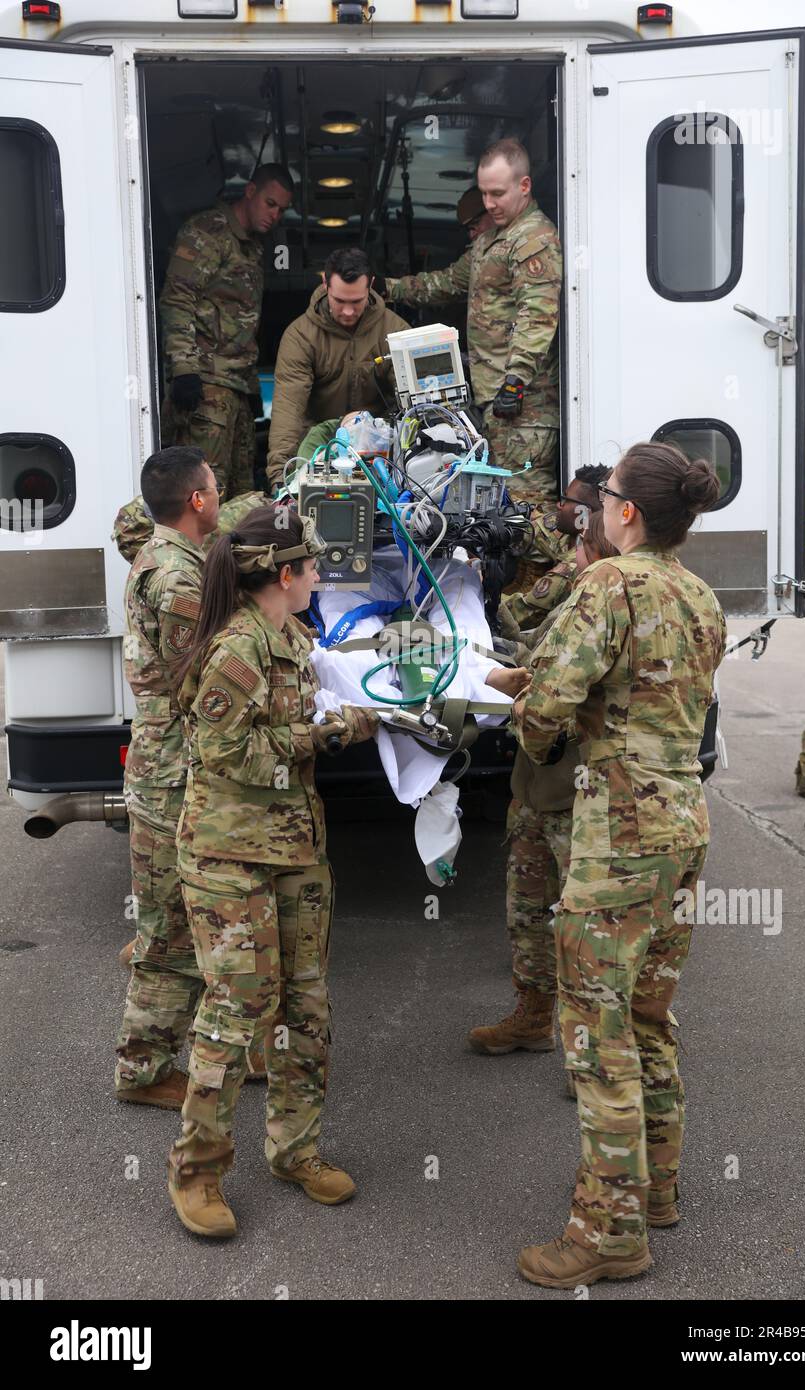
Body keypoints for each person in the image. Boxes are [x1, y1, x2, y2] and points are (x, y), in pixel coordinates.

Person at [510, 441, 727, 1290]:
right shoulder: (699, 594)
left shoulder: (608, 584)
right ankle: (658, 1188)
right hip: (682, 824)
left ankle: (609, 1234)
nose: (597, 507)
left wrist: (525, 716)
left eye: (605, 497)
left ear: (626, 512)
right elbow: (655, 691)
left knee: (597, 1041)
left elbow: (552, 704)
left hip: (619, 833)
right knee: (647, 1020)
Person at [166, 506, 378, 1238]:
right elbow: (226, 753)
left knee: (306, 1010)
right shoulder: (237, 649)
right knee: (235, 1016)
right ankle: (196, 1172)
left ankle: (295, 1150)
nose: (320, 576)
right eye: (313, 567)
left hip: (294, 851)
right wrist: (323, 733)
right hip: (229, 856)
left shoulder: (291, 634)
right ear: (283, 576)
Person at [470, 515, 620, 1057]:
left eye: (580, 544)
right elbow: (530, 647)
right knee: (528, 916)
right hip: (535, 793)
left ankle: (598, 1054)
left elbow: (543, 677)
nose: (571, 555)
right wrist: (489, 600)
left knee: (584, 931)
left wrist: (490, 678)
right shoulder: (575, 605)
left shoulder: (603, 610)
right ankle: (533, 1019)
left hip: (574, 795)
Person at [114, 447, 220, 1111]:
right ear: (198, 501)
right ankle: (146, 1068)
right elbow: (204, 675)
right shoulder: (176, 578)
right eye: (213, 484)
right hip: (172, 777)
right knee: (170, 932)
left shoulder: (163, 551)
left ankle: (218, 1045)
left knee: (189, 922)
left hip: (167, 767)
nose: (219, 489)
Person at [385, 138, 562, 508]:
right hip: (495, 402)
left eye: (497, 193)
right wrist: (385, 288)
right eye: (484, 194)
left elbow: (538, 314)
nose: (489, 204)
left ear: (524, 186)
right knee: (500, 504)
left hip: (524, 406)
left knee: (528, 504)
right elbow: (447, 282)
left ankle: (546, 569)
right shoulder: (491, 241)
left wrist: (515, 379)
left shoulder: (534, 239)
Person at [160, 164, 294, 500]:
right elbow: (177, 298)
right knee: (205, 492)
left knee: (241, 495)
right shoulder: (208, 233)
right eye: (270, 203)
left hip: (237, 386)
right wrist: (184, 368)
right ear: (250, 192)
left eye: (281, 209)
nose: (275, 215)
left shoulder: (252, 247)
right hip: (207, 384)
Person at [266, 248, 409, 493]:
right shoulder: (300, 336)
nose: (348, 312)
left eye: (356, 302)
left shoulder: (394, 330)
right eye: (339, 301)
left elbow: (414, 402)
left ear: (371, 286)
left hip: (379, 451)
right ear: (325, 284)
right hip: (317, 449)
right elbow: (288, 407)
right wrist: (281, 475)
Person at [501, 465, 610, 624]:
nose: (559, 505)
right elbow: (532, 531)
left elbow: (520, 612)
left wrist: (481, 589)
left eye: (566, 500)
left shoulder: (574, 567)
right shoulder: (569, 527)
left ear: (583, 514)